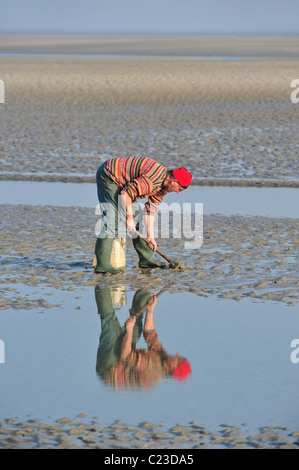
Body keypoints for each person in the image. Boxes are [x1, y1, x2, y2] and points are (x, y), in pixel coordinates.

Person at [94, 156, 193, 273]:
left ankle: (146, 260)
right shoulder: (152, 181)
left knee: (139, 222)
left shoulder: (164, 186)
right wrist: (129, 217)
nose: (177, 192)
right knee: (112, 219)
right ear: (173, 181)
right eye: (179, 189)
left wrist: (150, 236)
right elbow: (126, 193)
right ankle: (102, 265)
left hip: (124, 184)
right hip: (109, 176)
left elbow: (151, 209)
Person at [95, 286, 191, 389]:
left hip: (110, 370)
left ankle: (101, 283)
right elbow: (150, 334)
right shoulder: (163, 358)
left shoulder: (152, 372)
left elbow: (126, 355)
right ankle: (146, 284)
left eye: (179, 359)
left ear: (173, 367)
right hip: (125, 357)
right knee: (137, 320)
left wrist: (129, 329)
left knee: (111, 325)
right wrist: (150, 310)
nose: (177, 355)